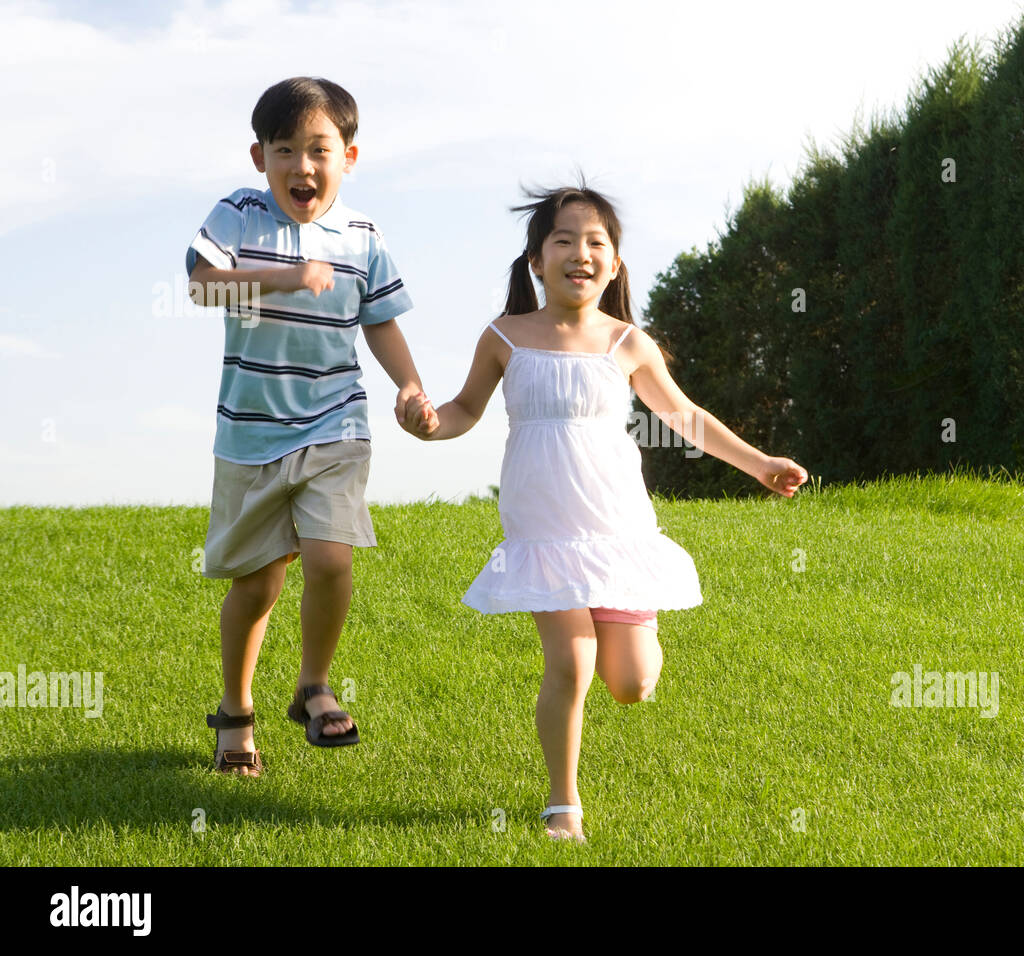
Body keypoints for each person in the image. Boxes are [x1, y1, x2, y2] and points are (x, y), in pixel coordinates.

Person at [415, 182, 807, 841]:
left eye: (597, 241)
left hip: (618, 528)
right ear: (536, 261)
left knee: (629, 684)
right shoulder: (504, 337)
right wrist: (428, 422)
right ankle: (562, 805)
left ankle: (637, 621)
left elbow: (685, 417)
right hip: (543, 531)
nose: (581, 252)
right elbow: (462, 411)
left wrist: (759, 463)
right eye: (564, 240)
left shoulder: (628, 341)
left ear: (616, 263)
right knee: (571, 661)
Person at [186, 77, 438, 777]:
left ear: (348, 157)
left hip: (335, 422)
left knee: (331, 559)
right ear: (259, 156)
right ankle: (236, 711)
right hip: (251, 431)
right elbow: (202, 283)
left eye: (318, 149)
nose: (302, 165)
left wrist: (410, 385)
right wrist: (288, 277)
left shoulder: (363, 236)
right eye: (284, 149)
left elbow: (381, 320)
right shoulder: (239, 213)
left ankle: (313, 685)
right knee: (258, 585)